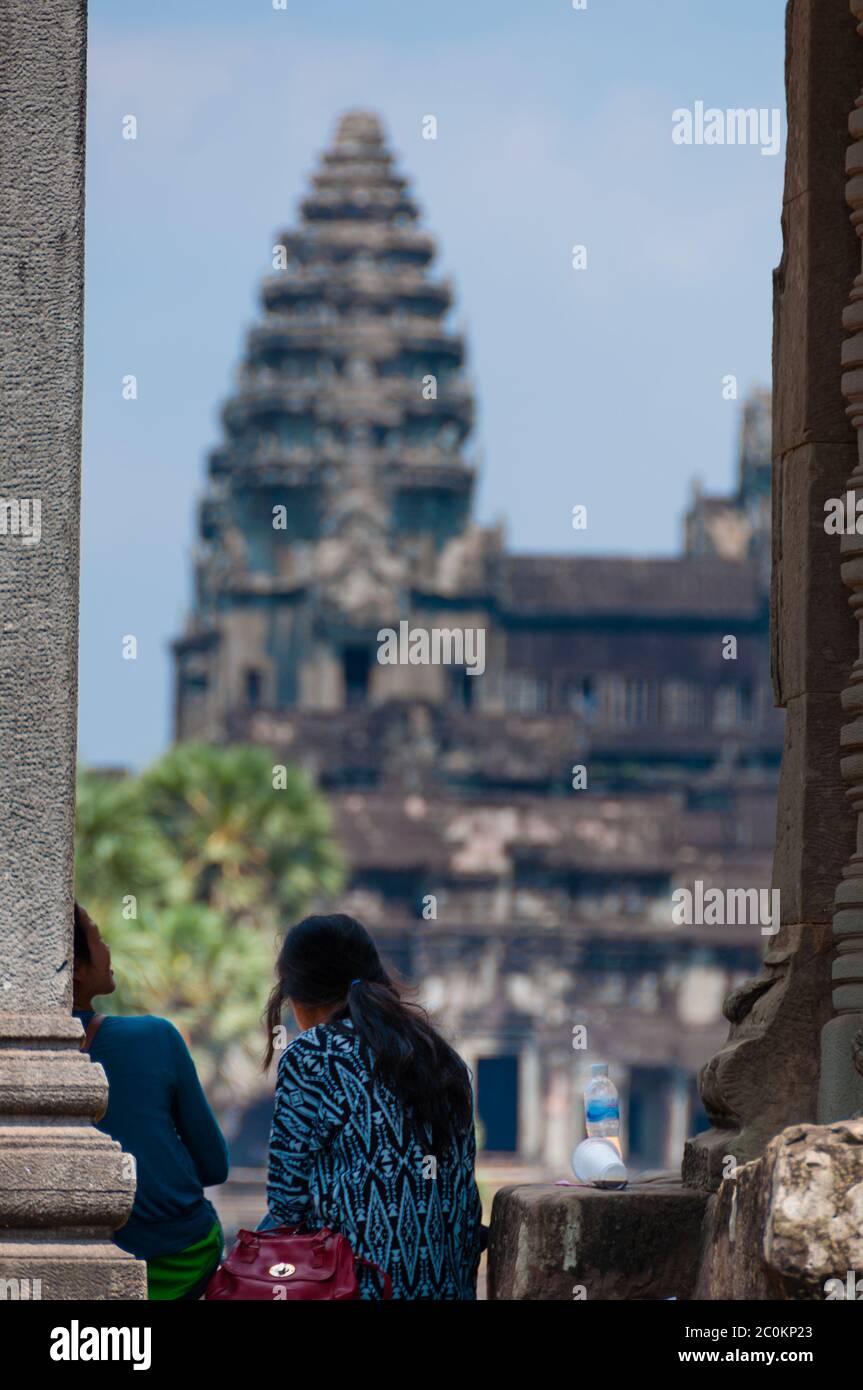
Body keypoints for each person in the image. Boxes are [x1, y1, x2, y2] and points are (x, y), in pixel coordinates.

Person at [261, 913, 483, 1300]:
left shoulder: (312, 1055)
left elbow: (285, 1203)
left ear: (297, 997)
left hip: (353, 1288)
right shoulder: (440, 1055)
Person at [72, 902, 229, 1299]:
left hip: (79, 1269)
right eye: (98, 937)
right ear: (71, 967)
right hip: (179, 1256)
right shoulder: (154, 1037)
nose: (107, 949)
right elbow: (214, 1165)